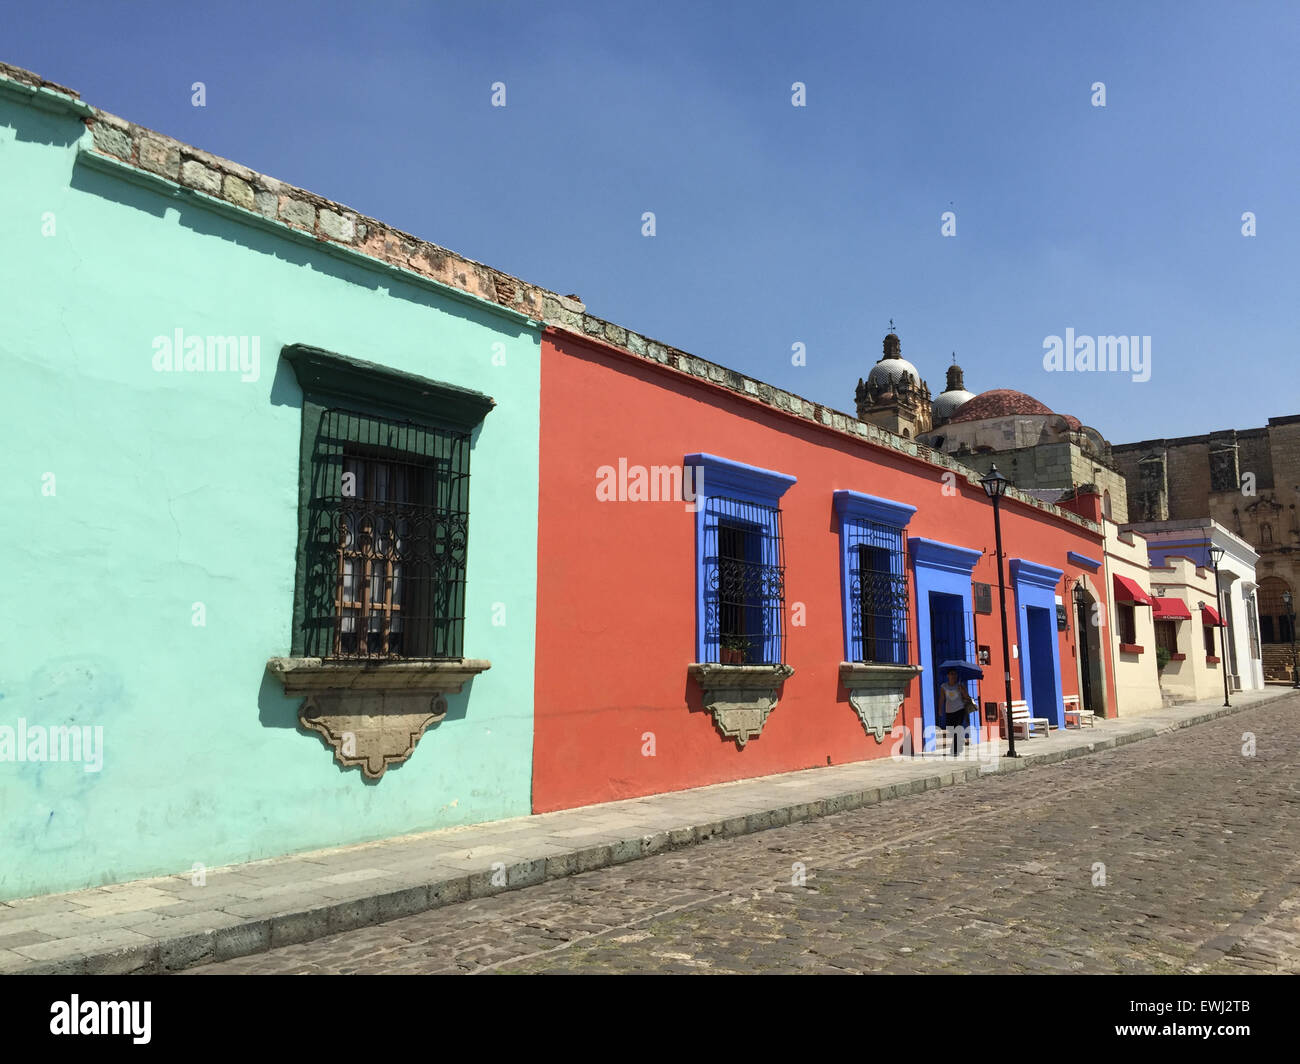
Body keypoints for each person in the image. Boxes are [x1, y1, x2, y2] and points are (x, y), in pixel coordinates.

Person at [939, 668, 970, 757]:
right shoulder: (944, 686)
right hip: (949, 710)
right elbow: (942, 698)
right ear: (948, 675)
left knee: (957, 729)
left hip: (959, 710)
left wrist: (962, 690)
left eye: (955, 674)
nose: (953, 676)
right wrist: (940, 709)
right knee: (951, 730)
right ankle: (958, 745)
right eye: (951, 674)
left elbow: (967, 697)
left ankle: (954, 750)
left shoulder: (960, 685)